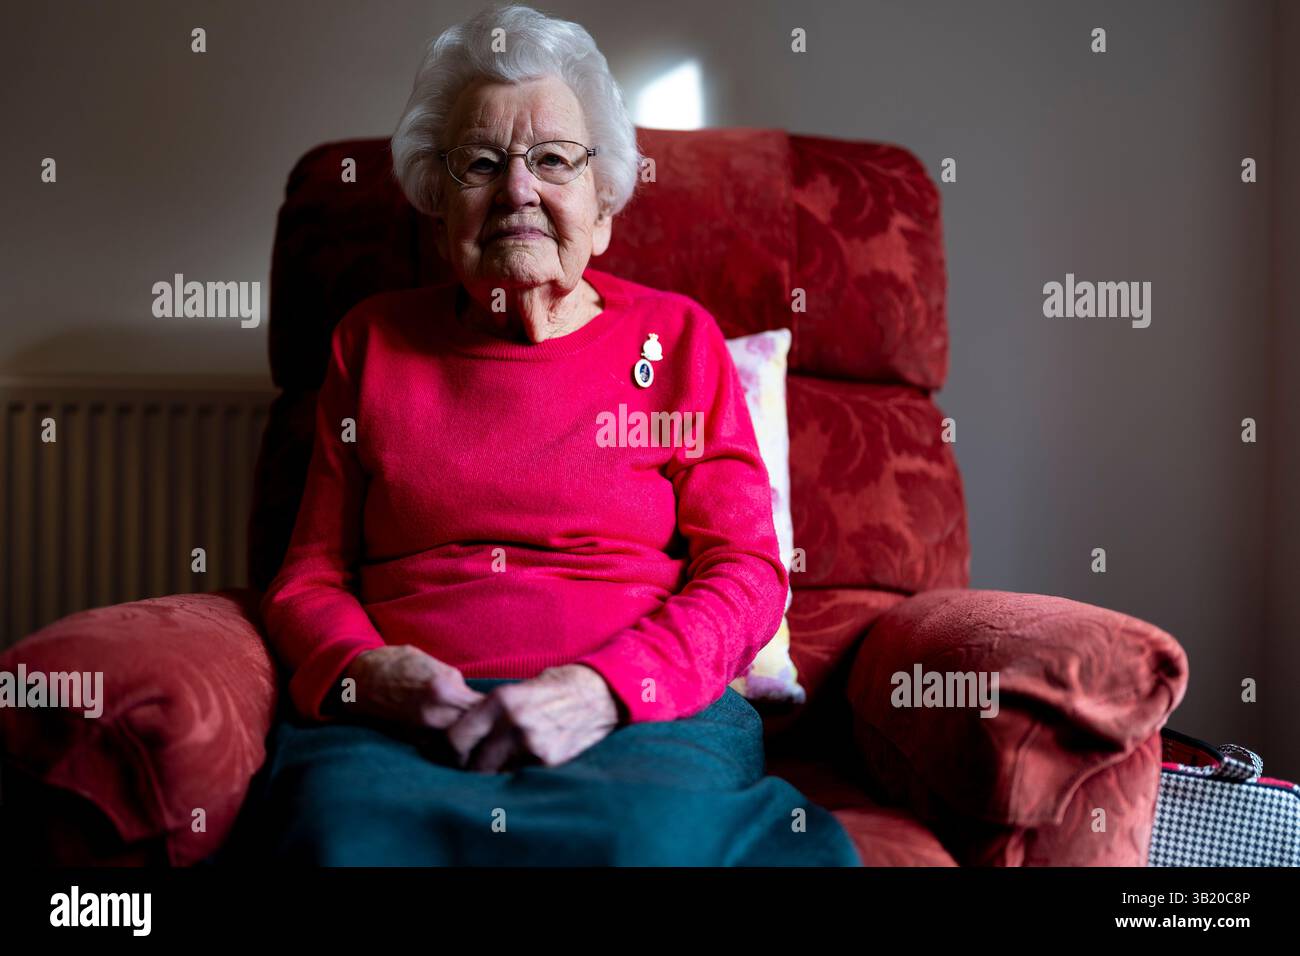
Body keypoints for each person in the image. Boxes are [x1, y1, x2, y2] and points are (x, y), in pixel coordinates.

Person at [240, 3, 861, 866]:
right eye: (481, 163)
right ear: (439, 203)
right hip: (408, 724)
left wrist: (604, 689)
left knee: (646, 846)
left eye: (553, 160)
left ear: (603, 202)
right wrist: (370, 674)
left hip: (639, 715)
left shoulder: (678, 341)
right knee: (341, 842)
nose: (518, 190)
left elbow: (747, 571)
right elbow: (307, 578)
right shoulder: (370, 342)